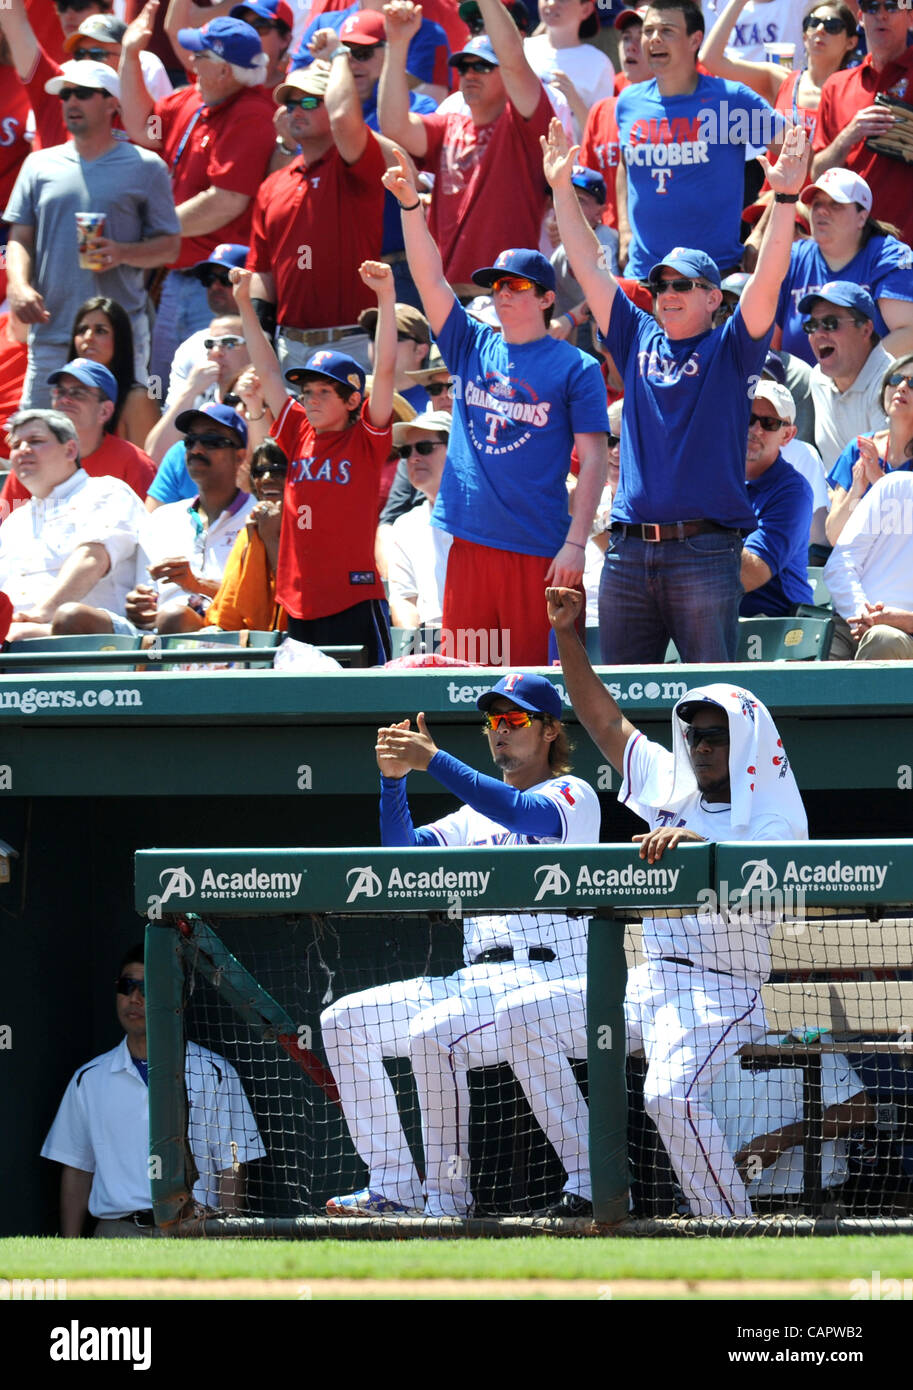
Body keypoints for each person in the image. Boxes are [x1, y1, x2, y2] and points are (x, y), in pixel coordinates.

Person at [507, 588, 808, 1218]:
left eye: (715, 737)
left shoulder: (776, 818)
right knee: (521, 1016)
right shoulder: (674, 782)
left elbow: (772, 901)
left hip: (724, 990)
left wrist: (699, 844)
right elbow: (606, 724)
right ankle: (592, 1181)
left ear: (746, 742)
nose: (700, 747)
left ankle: (729, 1227)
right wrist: (567, 635)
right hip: (652, 981)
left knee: (669, 1098)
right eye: (695, 735)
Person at [320, 671, 601, 1217]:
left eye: (515, 719)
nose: (500, 731)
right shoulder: (473, 816)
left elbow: (519, 813)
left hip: (551, 979)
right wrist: (395, 780)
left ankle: (448, 1199)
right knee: (343, 1022)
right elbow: (402, 852)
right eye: (493, 720)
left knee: (433, 1034)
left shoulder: (573, 794)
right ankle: (394, 1186)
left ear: (549, 730)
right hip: (475, 982)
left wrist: (434, 761)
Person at [543, 115, 811, 662]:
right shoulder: (636, 330)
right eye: (661, 283)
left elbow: (767, 280)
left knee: (713, 708)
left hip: (706, 551)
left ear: (714, 298)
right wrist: (560, 190)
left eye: (683, 284)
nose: (667, 292)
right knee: (624, 706)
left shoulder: (731, 348)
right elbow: (588, 266)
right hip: (629, 549)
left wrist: (784, 199)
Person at [382, 149, 609, 666]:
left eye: (517, 285)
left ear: (547, 297)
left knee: (528, 688)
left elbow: (594, 460)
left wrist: (576, 545)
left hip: (537, 549)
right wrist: (412, 207)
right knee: (470, 683)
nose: (503, 293)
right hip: (468, 543)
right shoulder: (471, 342)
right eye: (497, 286)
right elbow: (431, 280)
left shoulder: (576, 367)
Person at [231, 258, 396, 664]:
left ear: (353, 400)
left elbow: (387, 369)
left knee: (369, 707)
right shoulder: (298, 429)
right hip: (299, 601)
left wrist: (386, 298)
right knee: (306, 709)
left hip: (354, 598)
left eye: (325, 391)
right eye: (307, 390)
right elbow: (269, 370)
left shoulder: (366, 439)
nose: (311, 398)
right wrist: (244, 305)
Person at [40, 944, 265, 1236]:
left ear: (177, 999)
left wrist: (226, 1241)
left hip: (194, 1230)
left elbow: (230, 1165)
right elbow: (77, 1168)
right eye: (127, 986)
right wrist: (70, 1250)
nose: (134, 998)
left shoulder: (215, 1073)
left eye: (147, 988)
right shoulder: (89, 1078)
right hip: (116, 1233)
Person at [3, 58, 180, 407]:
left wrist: (121, 252)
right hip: (52, 333)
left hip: (118, 337)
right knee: (42, 435)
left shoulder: (146, 167)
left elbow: (170, 248)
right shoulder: (38, 164)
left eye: (82, 93)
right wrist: (19, 286)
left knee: (117, 442)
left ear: (112, 102)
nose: (70, 102)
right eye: (65, 94)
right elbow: (20, 238)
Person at [118, 5, 277, 394]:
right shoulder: (194, 98)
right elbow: (142, 126)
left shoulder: (252, 112)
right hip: (179, 277)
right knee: (169, 393)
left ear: (224, 70)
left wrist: (154, 231)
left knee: (211, 396)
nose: (190, 59)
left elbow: (227, 201)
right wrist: (129, 54)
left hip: (218, 285)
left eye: (201, 55)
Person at [378, 0, 554, 297]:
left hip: (507, 298)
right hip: (447, 300)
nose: (470, 74)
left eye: (483, 66)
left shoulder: (526, 125)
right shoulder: (448, 125)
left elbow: (513, 59)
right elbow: (394, 125)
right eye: (463, 66)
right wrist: (396, 45)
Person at [614, 0, 780, 280]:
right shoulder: (628, 101)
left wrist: (762, 230)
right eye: (649, 30)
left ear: (695, 40)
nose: (654, 39)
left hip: (711, 281)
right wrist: (623, 229)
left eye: (667, 31)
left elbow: (800, 154)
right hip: (642, 278)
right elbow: (624, 164)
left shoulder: (730, 99)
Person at [58, 401, 255, 636]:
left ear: (240, 457)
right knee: (70, 617)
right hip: (152, 636)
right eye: (190, 441)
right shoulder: (163, 518)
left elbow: (262, 602)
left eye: (212, 442)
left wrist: (197, 585)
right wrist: (138, 606)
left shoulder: (258, 519)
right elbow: (144, 594)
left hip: (224, 632)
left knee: (174, 616)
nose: (197, 450)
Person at [246, 55, 386, 378]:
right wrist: (261, 339)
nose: (296, 110)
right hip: (287, 346)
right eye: (291, 104)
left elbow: (344, 118)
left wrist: (339, 57)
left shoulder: (354, 165)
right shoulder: (272, 184)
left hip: (351, 341)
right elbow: (261, 271)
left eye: (309, 101)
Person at [0, 408, 145, 642]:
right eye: (16, 445)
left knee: (58, 620)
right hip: (15, 634)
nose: (22, 450)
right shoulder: (16, 519)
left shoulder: (105, 491)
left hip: (95, 635)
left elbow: (92, 558)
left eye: (35, 441)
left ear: (70, 450)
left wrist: (43, 612)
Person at [775, 168, 913, 367]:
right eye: (817, 203)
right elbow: (769, 340)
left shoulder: (888, 255)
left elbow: (908, 333)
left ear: (862, 217)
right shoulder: (794, 257)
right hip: (798, 391)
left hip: (872, 391)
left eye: (836, 204)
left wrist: (847, 382)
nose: (822, 210)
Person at [709, 1047, 873, 1209]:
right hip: (733, 1209)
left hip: (808, 1207)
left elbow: (859, 1111)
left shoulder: (802, 1035)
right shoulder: (703, 1045)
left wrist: (783, 1139)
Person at [811, 0, 913, 251]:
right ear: (860, 18)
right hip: (849, 252)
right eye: (871, 7)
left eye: (892, 7)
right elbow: (817, 173)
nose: (881, 15)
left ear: (910, 18)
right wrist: (848, 135)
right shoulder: (837, 85)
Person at [701, 0, 859, 146]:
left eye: (832, 26)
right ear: (803, 36)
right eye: (813, 22)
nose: (820, 30)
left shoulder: (854, 93)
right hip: (772, 173)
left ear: (851, 42)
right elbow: (710, 59)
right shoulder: (782, 80)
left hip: (826, 176)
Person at [740, 379, 814, 618]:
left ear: (788, 435)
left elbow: (750, 575)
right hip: (720, 616)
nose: (756, 429)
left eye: (769, 423)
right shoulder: (712, 473)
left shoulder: (793, 492)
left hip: (777, 625)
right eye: (749, 418)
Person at [802, 280, 894, 471]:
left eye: (830, 323)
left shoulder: (893, 384)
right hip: (838, 498)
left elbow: (885, 474)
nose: (818, 333)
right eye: (811, 325)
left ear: (866, 329)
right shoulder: (817, 378)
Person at [824, 468, 913, 660]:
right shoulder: (894, 486)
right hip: (852, 623)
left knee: (883, 639)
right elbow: (840, 563)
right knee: (805, 669)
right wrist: (863, 617)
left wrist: (906, 621)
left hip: (901, 637)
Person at [826, 353, 913, 543]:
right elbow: (834, 536)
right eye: (896, 379)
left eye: (912, 383)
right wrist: (856, 491)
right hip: (861, 567)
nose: (902, 387)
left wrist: (880, 482)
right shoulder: (859, 449)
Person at [203, 437, 288, 631]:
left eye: (277, 470)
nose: (266, 478)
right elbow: (229, 612)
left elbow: (295, 599)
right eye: (259, 472)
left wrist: (270, 538)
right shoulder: (252, 524)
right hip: (250, 639)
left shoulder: (308, 524)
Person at [61, 297, 162, 448]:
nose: (88, 338)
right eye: (82, 330)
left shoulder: (138, 399)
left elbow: (150, 466)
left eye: (100, 331)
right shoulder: (63, 395)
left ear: (120, 339)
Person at [387, 407, 453, 628]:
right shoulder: (405, 526)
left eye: (424, 448)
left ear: (455, 450)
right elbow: (404, 600)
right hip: (430, 641)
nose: (413, 459)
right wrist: (418, 654)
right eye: (406, 451)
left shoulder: (488, 515)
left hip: (489, 641)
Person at [164, 243, 250, 412]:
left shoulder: (274, 342)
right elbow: (172, 423)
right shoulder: (191, 346)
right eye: (209, 279)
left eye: (227, 279)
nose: (215, 286)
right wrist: (191, 391)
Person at [522, 0, 615, 141]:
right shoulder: (523, 49)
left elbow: (601, 137)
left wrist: (573, 100)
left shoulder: (599, 63)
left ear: (585, 9)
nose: (551, 4)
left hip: (573, 160)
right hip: (523, 158)